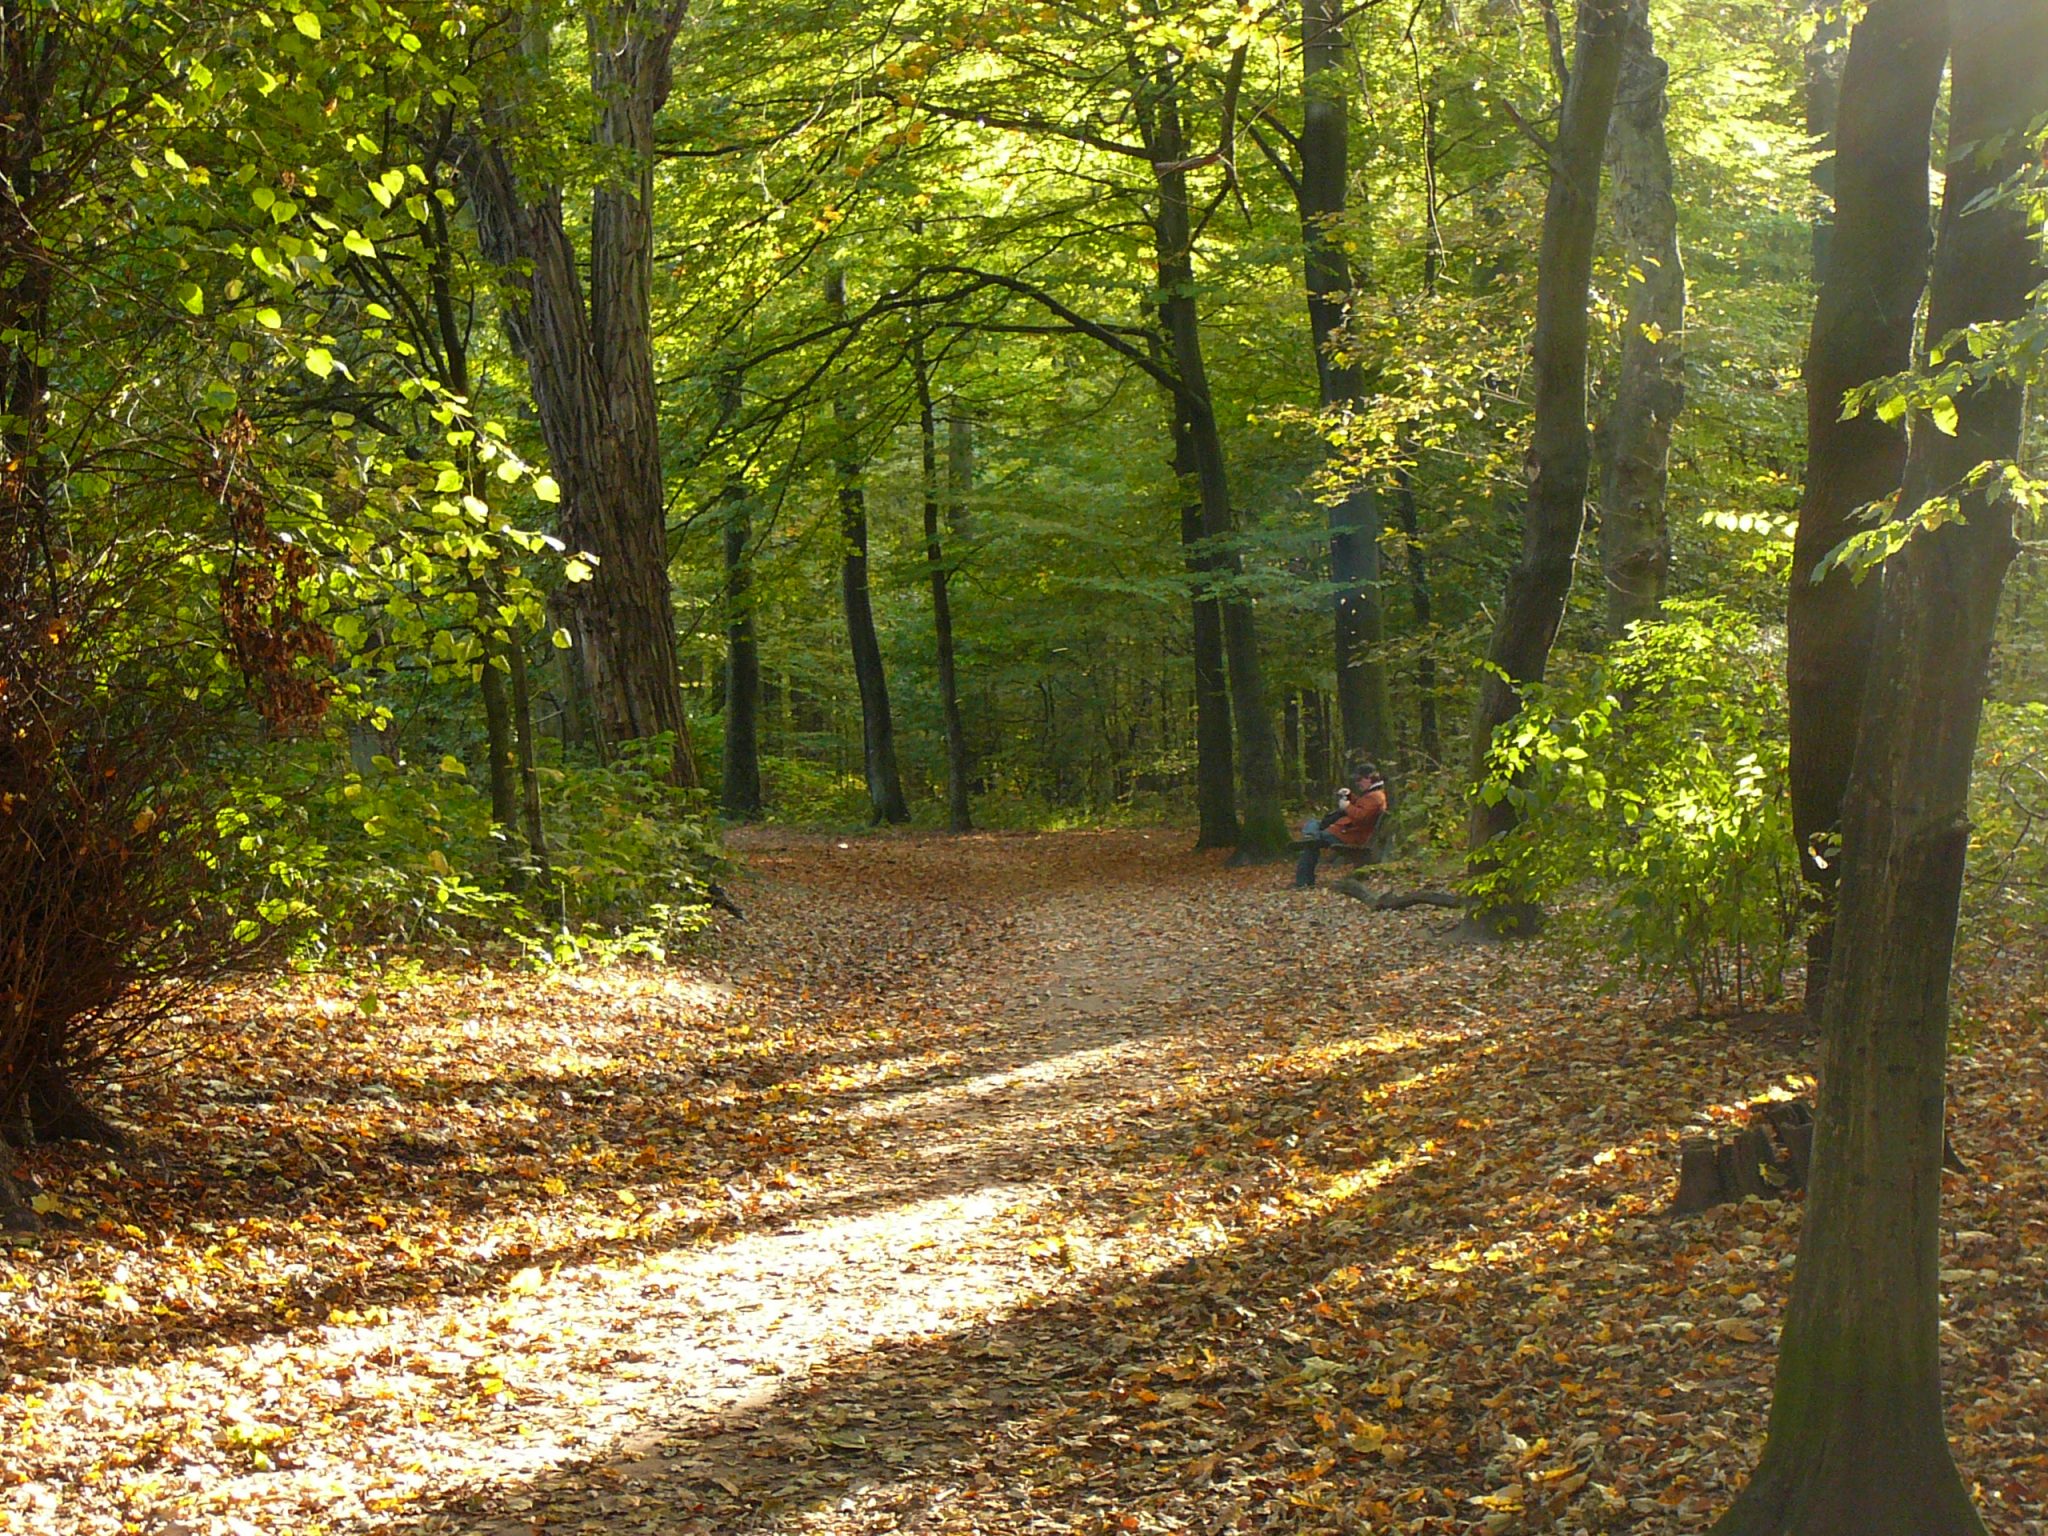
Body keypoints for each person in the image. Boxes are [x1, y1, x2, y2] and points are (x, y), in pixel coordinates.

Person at [1293, 764, 1388, 888]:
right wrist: (1350, 796)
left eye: (1359, 780)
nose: (1357, 783)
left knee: (1311, 839)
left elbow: (1362, 816)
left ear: (1369, 778)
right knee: (1312, 825)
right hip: (1347, 833)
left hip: (1349, 836)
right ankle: (1311, 837)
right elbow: (1362, 805)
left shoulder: (1375, 797)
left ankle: (1304, 880)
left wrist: (1346, 806)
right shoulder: (1373, 794)